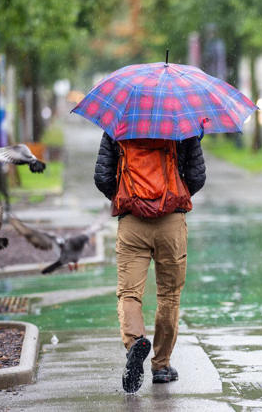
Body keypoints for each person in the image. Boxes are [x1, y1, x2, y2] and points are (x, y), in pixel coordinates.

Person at [94, 132, 205, 393]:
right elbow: (197, 176)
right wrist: (173, 196)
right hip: (171, 221)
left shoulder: (118, 124)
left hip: (132, 221)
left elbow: (102, 177)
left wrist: (126, 197)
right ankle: (162, 365)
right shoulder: (181, 124)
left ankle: (135, 343)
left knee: (129, 292)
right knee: (169, 295)